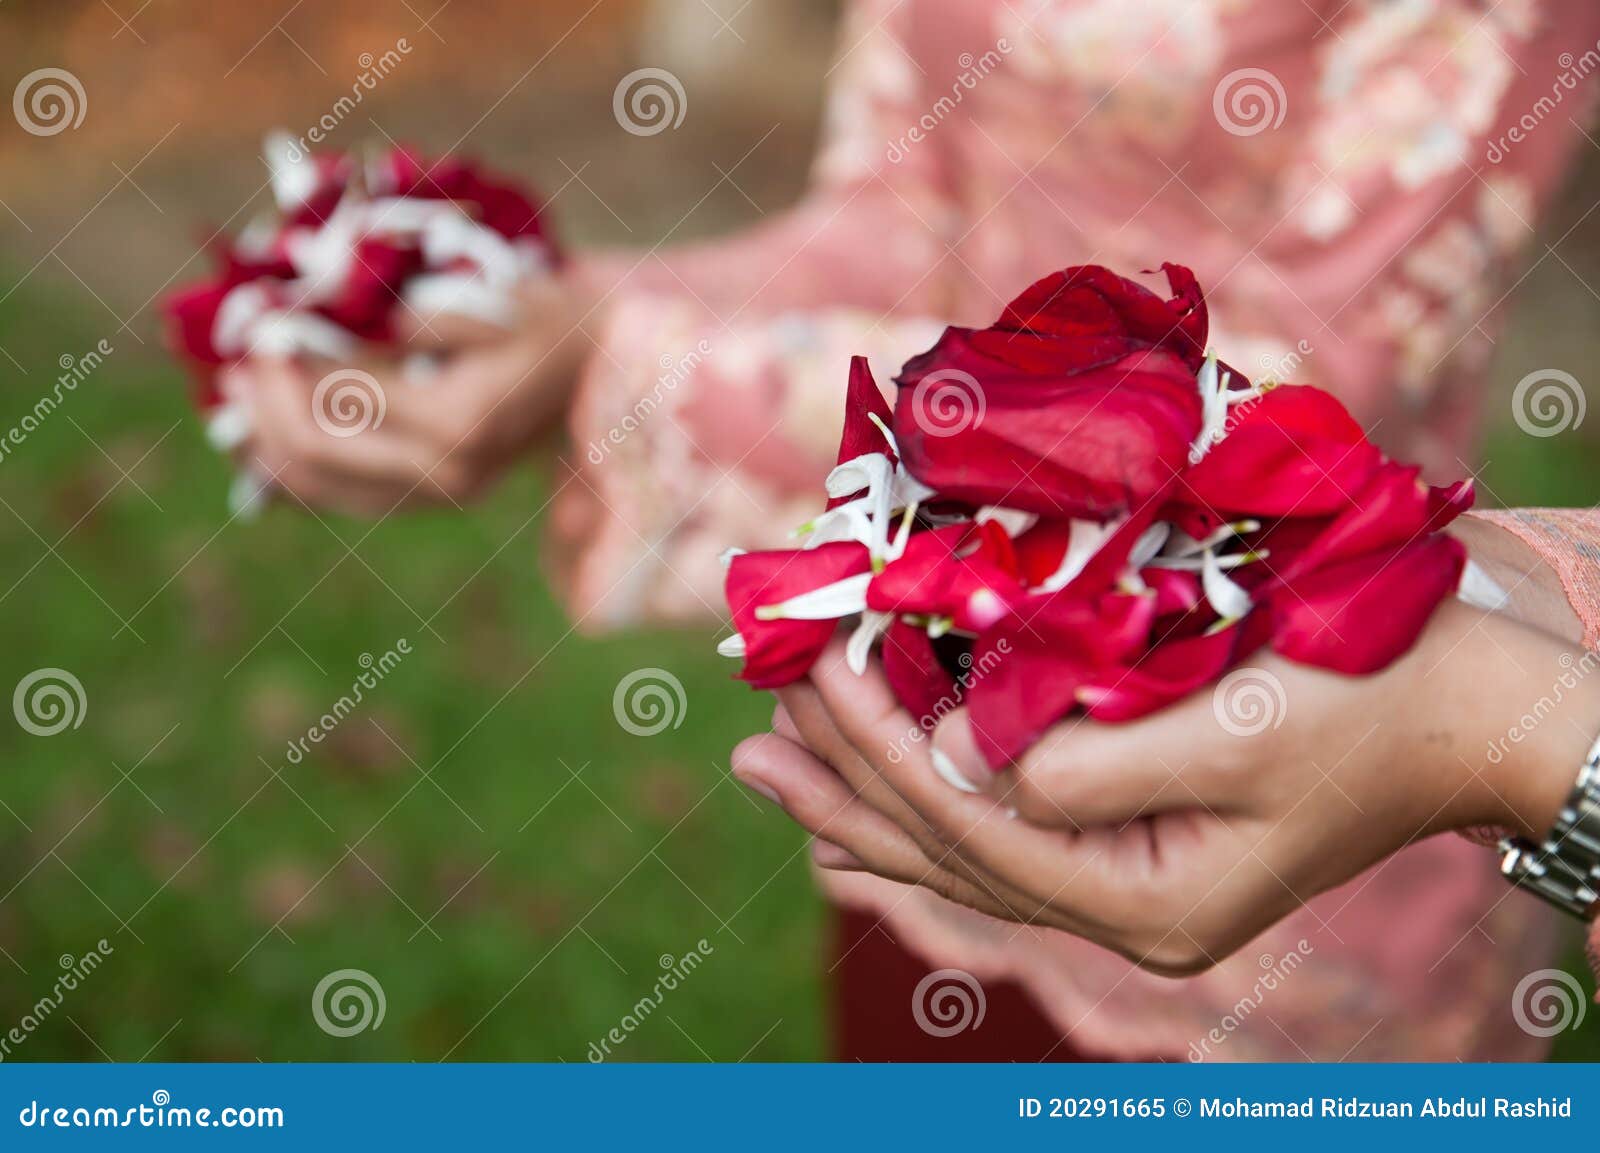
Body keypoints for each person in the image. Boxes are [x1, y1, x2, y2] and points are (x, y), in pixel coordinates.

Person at [225, 0, 1600, 1060]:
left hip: (1311, 762)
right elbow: (897, 223)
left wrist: (629, 360)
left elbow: (1311, 383)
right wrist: (565, 324)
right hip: (938, 744)